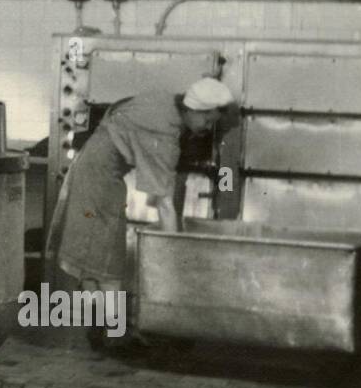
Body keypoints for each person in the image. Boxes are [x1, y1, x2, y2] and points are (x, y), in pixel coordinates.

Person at [51, 77, 234, 347]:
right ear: (195, 110)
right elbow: (164, 203)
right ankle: (116, 336)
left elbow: (118, 109)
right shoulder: (164, 133)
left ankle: (99, 330)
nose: (207, 129)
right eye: (207, 122)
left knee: (93, 260)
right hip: (100, 182)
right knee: (107, 261)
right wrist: (175, 252)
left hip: (88, 168)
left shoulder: (163, 98)